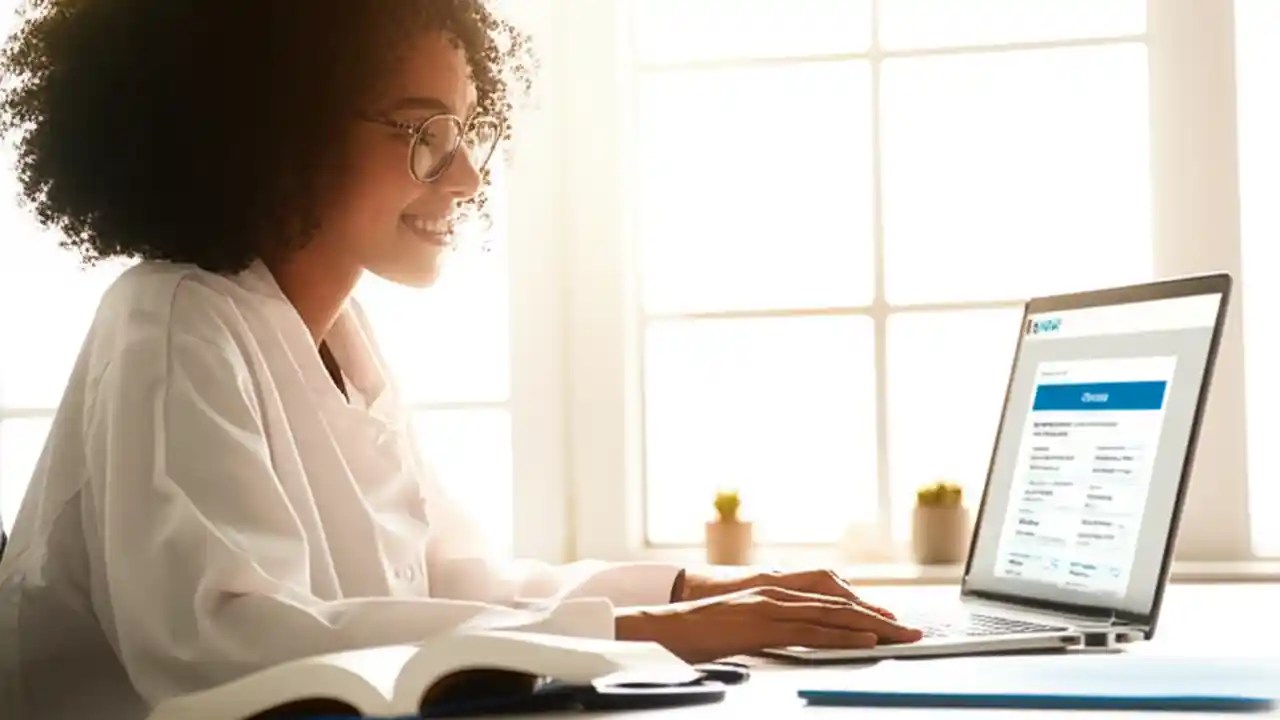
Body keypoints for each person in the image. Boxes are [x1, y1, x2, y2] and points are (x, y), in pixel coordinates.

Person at [0, 1, 921, 717]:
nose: (468, 176)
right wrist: (661, 632)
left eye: (463, 131)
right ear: (280, 127)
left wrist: (697, 588)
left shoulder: (337, 337)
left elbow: (460, 583)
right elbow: (229, 640)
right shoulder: (168, 321)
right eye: (422, 134)